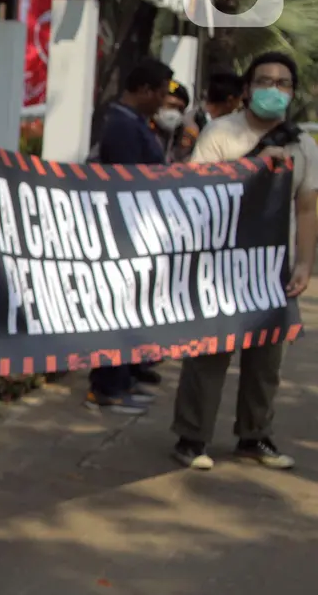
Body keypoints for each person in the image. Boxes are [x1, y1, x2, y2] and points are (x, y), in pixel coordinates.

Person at [172, 51, 318, 471]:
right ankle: (191, 437)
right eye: (265, 81)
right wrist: (251, 166)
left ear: (292, 92)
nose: (274, 90)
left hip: (272, 269)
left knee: (267, 359)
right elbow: (198, 192)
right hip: (219, 266)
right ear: (248, 88)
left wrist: (304, 263)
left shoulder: (302, 145)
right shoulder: (220, 134)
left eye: (283, 83)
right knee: (209, 353)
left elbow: (306, 209)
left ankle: (254, 436)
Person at [85, 57, 175, 414]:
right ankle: (106, 387)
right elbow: (126, 183)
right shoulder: (122, 126)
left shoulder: (135, 122)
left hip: (140, 233)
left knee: (130, 311)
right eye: (160, 93)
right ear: (143, 90)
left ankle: (121, 380)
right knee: (117, 310)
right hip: (125, 234)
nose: (163, 103)